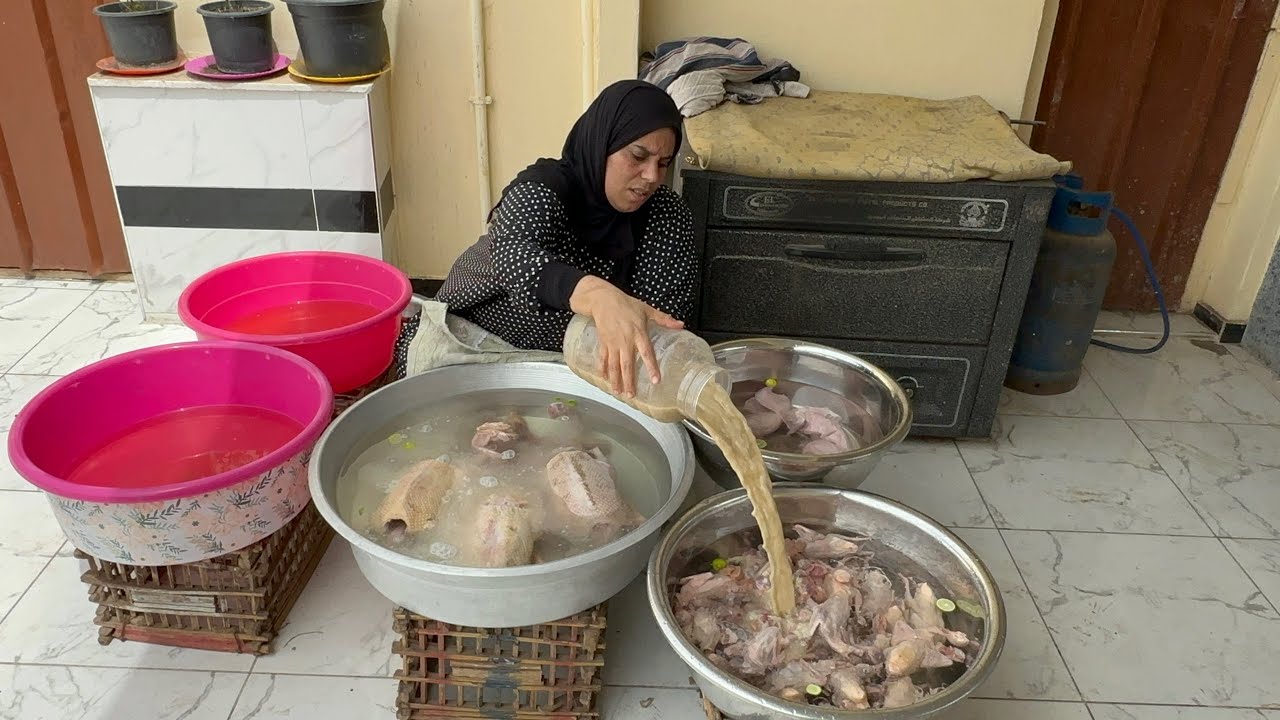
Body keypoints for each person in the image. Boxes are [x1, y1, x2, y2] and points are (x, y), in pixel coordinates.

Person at [435, 79, 696, 399]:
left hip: (581, 364)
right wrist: (598, 295)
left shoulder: (666, 215)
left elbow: (662, 322)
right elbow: (512, 254)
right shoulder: (547, 189)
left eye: (663, 164)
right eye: (637, 156)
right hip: (480, 341)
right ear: (603, 144)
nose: (652, 176)